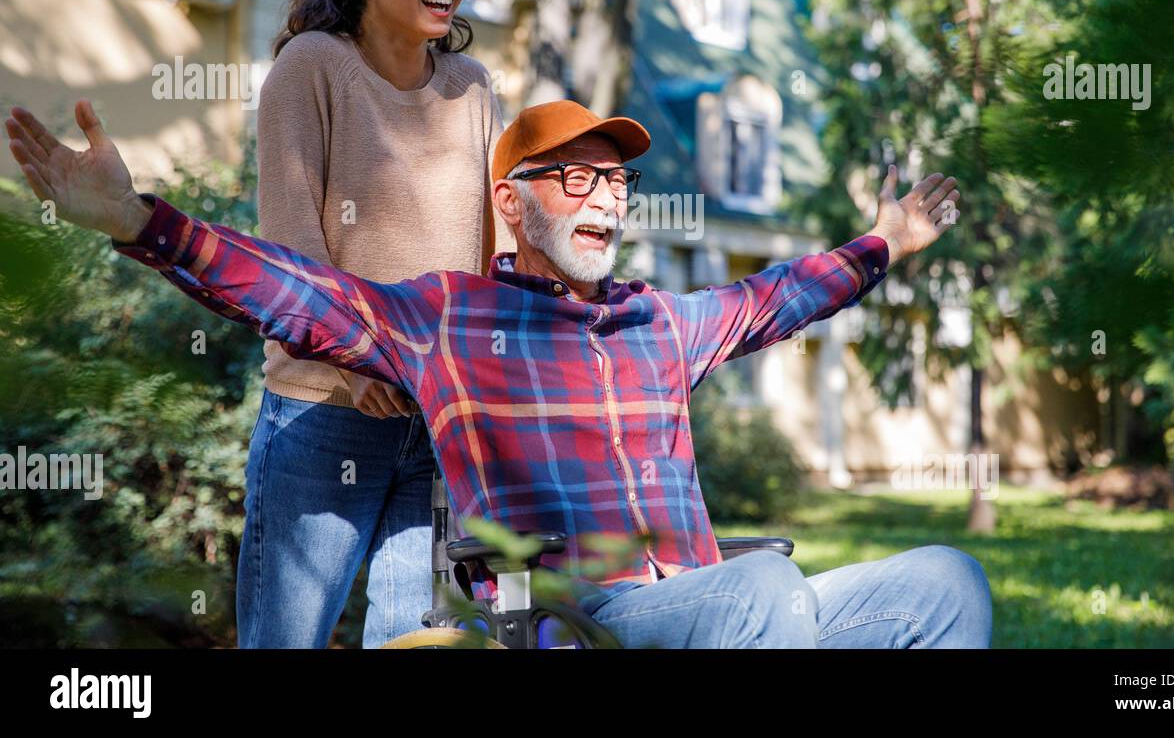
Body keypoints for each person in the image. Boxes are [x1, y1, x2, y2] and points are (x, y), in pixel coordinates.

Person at [5, 97, 991, 648]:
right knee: (764, 593)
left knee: (946, 580)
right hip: (574, 616)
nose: (605, 193)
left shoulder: (660, 321)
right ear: (512, 206)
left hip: (706, 600)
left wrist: (886, 240)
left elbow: (783, 291)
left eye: (615, 177)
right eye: (576, 175)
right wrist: (142, 221)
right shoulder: (450, 317)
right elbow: (298, 294)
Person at [241, 0, 509, 647]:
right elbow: (292, 244)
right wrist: (353, 360)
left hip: (436, 418)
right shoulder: (312, 68)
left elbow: (497, 250)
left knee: (419, 642)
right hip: (325, 410)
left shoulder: (472, 88)